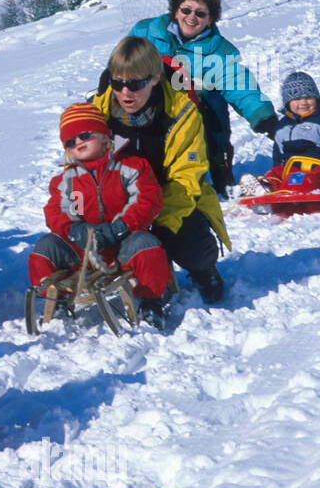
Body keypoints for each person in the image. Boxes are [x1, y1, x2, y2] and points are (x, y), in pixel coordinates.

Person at [90, 36, 231, 304]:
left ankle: (203, 269)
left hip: (170, 199)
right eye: (117, 83)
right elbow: (82, 161)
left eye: (135, 84)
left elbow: (187, 176)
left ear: (154, 78)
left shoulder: (180, 111)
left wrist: (153, 219)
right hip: (121, 201)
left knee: (186, 240)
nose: (125, 92)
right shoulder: (101, 111)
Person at [29, 103, 171, 328]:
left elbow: (147, 200)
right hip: (83, 249)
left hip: (125, 242)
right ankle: (55, 299)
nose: (78, 142)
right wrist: (72, 230)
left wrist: (119, 228)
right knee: (44, 249)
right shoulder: (67, 179)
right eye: (70, 141)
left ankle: (151, 301)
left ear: (104, 135)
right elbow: (56, 210)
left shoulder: (132, 166)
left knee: (149, 248)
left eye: (84, 135)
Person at [129, 0, 276, 197]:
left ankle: (219, 166)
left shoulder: (217, 50)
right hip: (148, 103)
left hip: (190, 110)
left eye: (200, 13)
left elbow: (237, 81)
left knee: (213, 99)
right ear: (175, 11)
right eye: (186, 10)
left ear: (210, 20)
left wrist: (262, 115)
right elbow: (121, 65)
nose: (191, 17)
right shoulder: (146, 32)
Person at [239, 71, 320, 196]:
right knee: (276, 172)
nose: (303, 102)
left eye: (308, 97)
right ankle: (265, 187)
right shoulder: (281, 127)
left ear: (316, 98)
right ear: (287, 103)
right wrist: (278, 169)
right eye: (296, 99)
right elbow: (278, 157)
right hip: (294, 170)